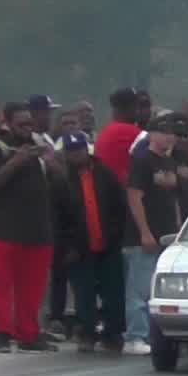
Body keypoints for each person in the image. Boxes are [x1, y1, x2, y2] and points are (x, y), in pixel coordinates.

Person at [0, 103, 58, 353]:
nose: (27, 127)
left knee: (33, 288)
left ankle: (29, 333)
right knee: (2, 285)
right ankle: (2, 333)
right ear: (9, 123)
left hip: (37, 229)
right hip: (5, 229)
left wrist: (52, 162)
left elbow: (61, 183)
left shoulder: (42, 149)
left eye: (29, 123)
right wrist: (18, 160)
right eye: (21, 123)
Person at [123, 113, 188, 355]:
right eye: (164, 131)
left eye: (171, 133)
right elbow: (134, 197)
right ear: (152, 134)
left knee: (161, 288)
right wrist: (144, 232)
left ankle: (153, 336)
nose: (169, 136)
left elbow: (175, 199)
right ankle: (134, 336)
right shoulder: (142, 161)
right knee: (140, 289)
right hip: (145, 235)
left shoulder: (168, 162)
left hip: (168, 233)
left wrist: (179, 227)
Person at [54, 130, 126, 353]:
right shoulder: (61, 179)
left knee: (113, 291)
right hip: (79, 248)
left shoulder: (105, 173)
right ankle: (87, 333)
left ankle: (112, 334)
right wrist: (67, 246)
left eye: (80, 150)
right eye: (72, 151)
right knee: (83, 294)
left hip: (108, 245)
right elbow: (57, 216)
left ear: (87, 149)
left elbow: (120, 208)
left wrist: (116, 236)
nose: (77, 155)